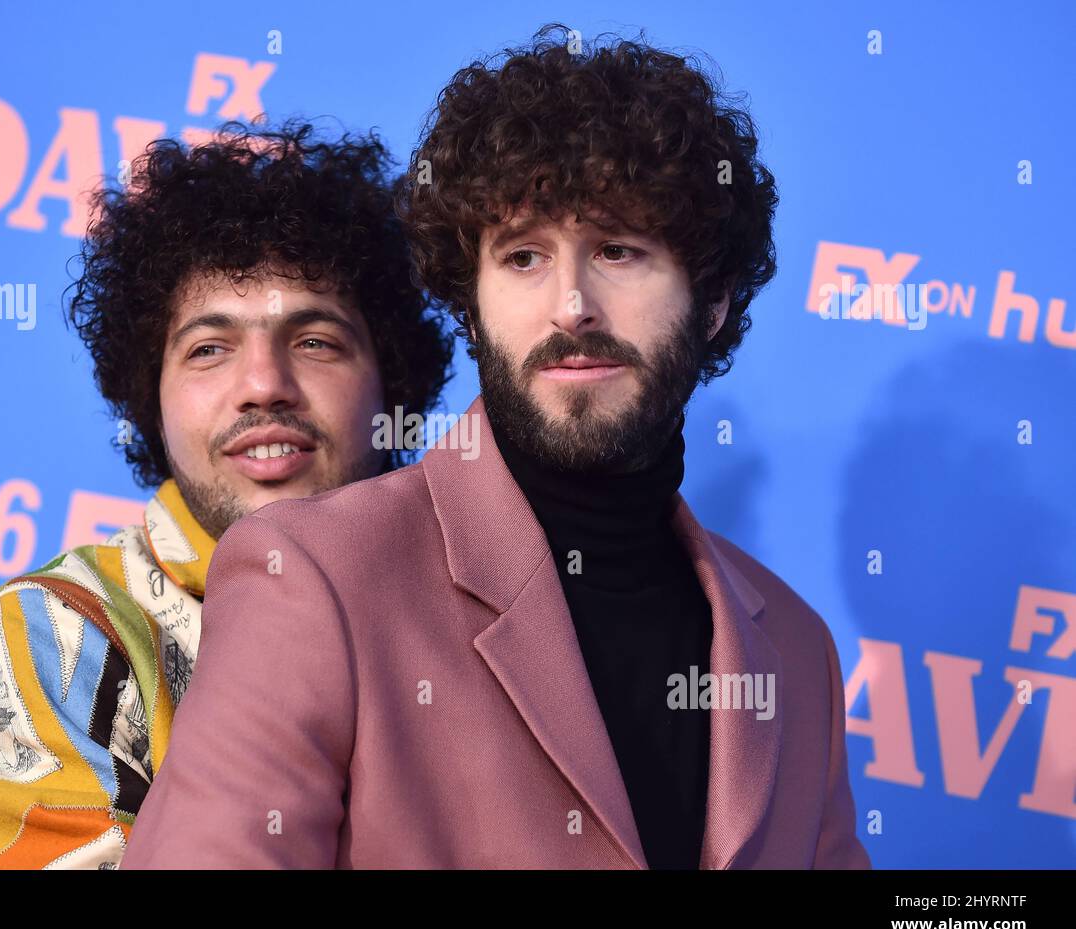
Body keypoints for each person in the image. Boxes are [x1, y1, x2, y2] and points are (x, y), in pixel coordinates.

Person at [121, 26, 871, 869]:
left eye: (619, 250)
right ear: (470, 308)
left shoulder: (797, 652)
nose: (573, 306)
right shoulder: (313, 576)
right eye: (523, 257)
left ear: (714, 302)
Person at [0, 123, 452, 868]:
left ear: (389, 382)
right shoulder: (60, 635)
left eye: (315, 340)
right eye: (210, 347)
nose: (264, 383)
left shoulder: (483, 614)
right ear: (152, 397)